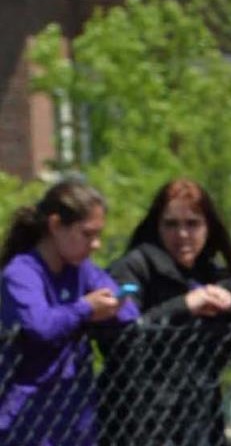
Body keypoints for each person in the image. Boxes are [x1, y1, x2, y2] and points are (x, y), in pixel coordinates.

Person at [98, 178, 231, 446]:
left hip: (199, 417)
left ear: (209, 227)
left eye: (193, 224)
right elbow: (121, 340)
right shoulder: (133, 268)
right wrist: (185, 306)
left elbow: (222, 355)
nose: (183, 235)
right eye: (171, 224)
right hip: (139, 420)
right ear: (157, 226)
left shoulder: (212, 275)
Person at [0, 177, 139, 446]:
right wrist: (85, 309)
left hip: (75, 415)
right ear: (55, 226)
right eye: (87, 234)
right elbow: (40, 326)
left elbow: (128, 312)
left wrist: (111, 307)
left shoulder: (81, 269)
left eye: (98, 235)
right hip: (28, 417)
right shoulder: (21, 272)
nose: (96, 244)